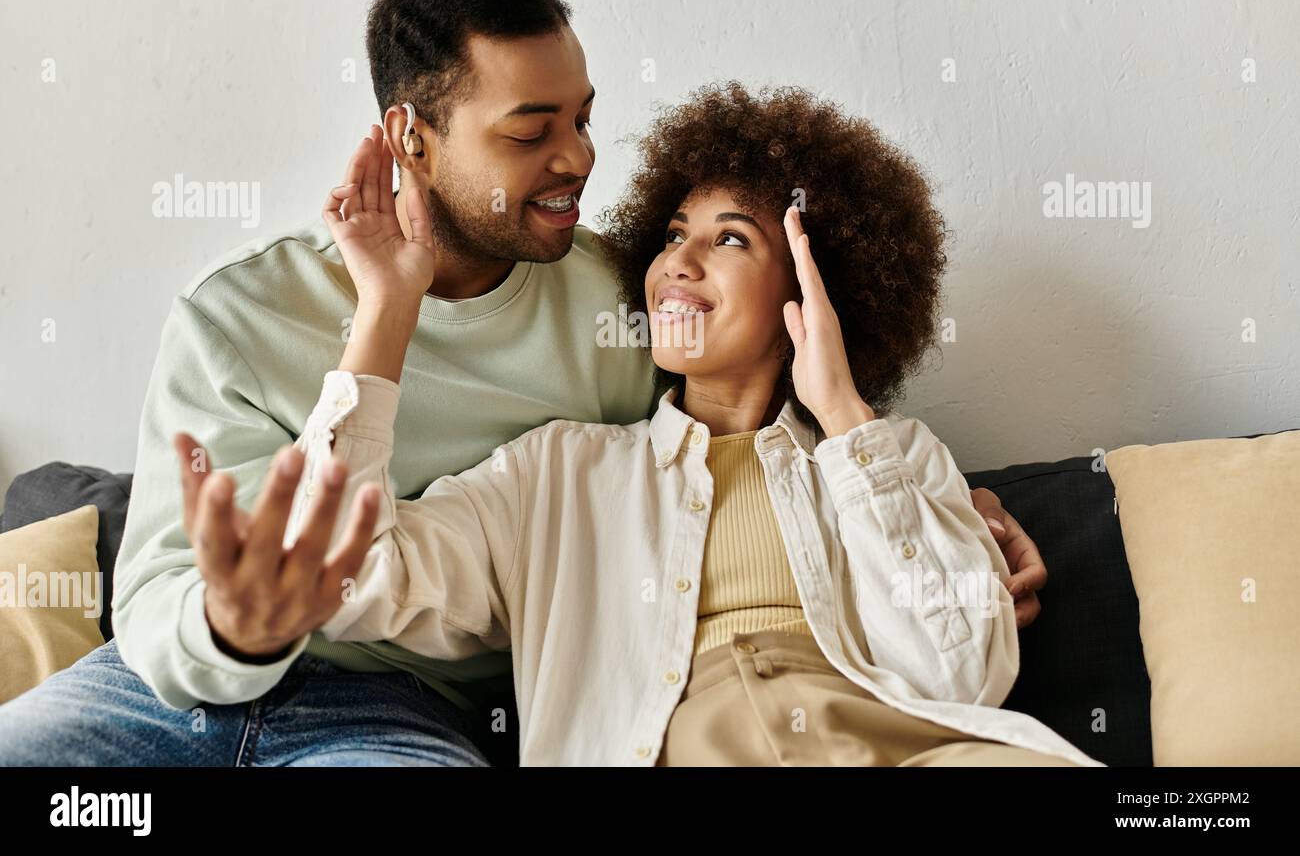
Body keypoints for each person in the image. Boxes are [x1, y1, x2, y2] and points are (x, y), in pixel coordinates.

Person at [0, 0, 1044, 767]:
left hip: (399, 711)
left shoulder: (618, 304)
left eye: (583, 119)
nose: (581, 156)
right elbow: (169, 609)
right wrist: (384, 317)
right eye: (531, 128)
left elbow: (747, 431)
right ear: (411, 141)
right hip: (166, 692)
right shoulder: (240, 317)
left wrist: (945, 515)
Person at [183, 82, 1100, 767]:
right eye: (671, 235)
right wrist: (386, 309)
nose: (678, 264)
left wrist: (846, 414)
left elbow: (965, 677)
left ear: (814, 289)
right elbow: (359, 578)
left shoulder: (887, 460)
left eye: (730, 239)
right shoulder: (558, 475)